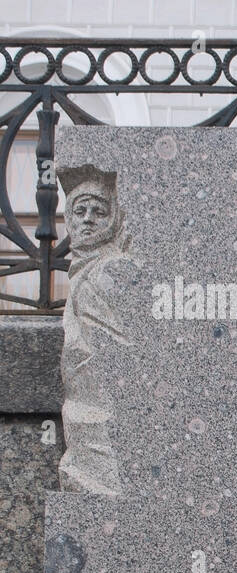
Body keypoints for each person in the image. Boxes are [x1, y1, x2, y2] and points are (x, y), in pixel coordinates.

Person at [56, 164, 136, 496]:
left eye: (99, 211)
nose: (88, 219)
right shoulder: (84, 268)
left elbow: (114, 342)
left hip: (100, 400)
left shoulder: (110, 269)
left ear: (114, 220)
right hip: (81, 399)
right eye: (80, 210)